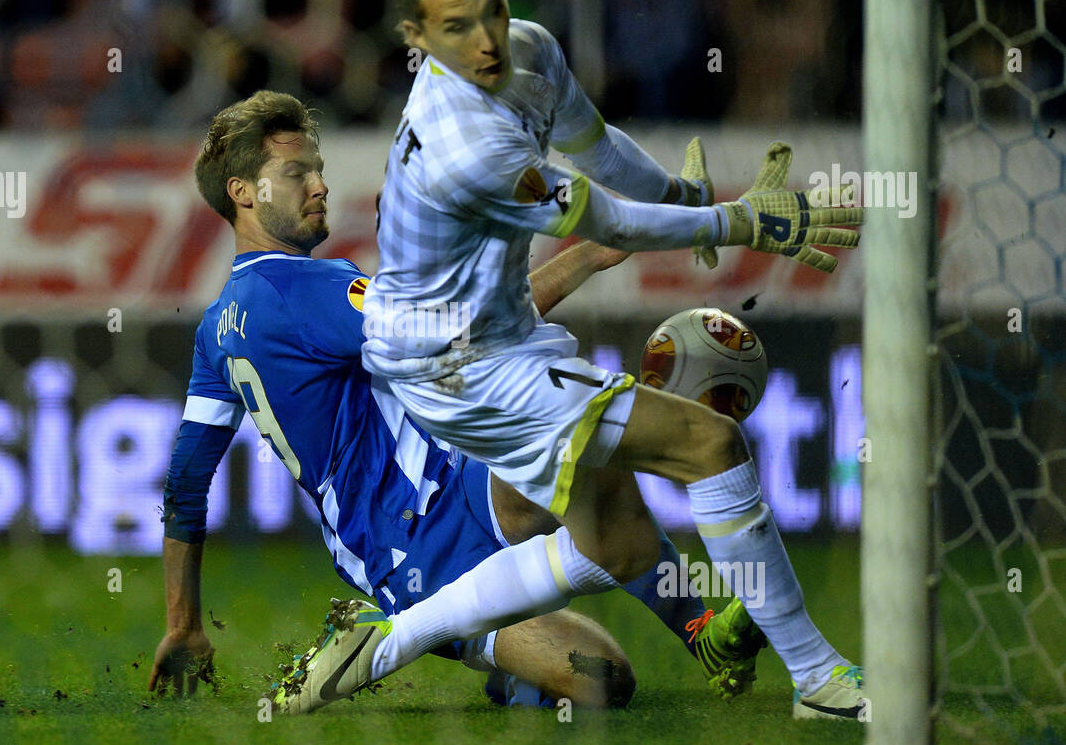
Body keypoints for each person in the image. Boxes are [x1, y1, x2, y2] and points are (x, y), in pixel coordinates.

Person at [283, 0, 864, 721]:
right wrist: (743, 224)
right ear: (415, 37)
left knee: (618, 546)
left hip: (496, 332)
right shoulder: (466, 148)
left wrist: (687, 198)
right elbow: (610, 222)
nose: (485, 40)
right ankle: (820, 681)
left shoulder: (527, 49)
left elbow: (597, 149)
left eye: (491, 10)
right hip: (454, 364)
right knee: (709, 445)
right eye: (456, 27)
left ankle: (384, 643)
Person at [148, 90, 764, 710]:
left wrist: (184, 624)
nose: (320, 186)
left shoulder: (217, 331)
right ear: (242, 192)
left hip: (447, 495)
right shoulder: (307, 290)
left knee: (580, 461)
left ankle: (697, 627)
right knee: (602, 671)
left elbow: (185, 483)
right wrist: (600, 245)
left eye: (319, 170)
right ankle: (406, 643)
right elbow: (469, 332)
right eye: (296, 173)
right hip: (416, 543)